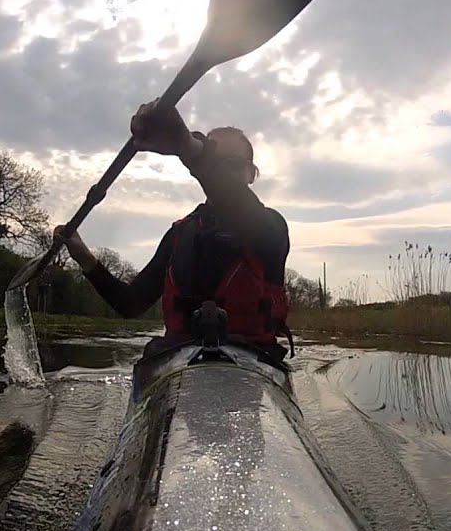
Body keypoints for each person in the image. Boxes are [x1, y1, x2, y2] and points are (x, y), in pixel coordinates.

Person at [53, 98, 293, 360]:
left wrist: (192, 151)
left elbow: (235, 201)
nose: (220, 172)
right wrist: (85, 259)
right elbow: (130, 304)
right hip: (179, 363)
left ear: (251, 173)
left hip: (253, 361)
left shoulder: (271, 227)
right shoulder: (180, 234)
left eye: (232, 165)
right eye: (215, 162)